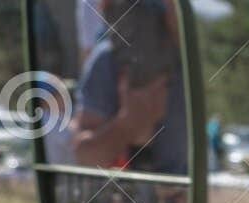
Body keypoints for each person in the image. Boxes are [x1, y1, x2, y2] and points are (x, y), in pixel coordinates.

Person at [72, 0, 186, 173]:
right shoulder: (107, 61)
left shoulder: (190, 64)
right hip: (128, 186)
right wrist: (127, 124)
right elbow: (85, 157)